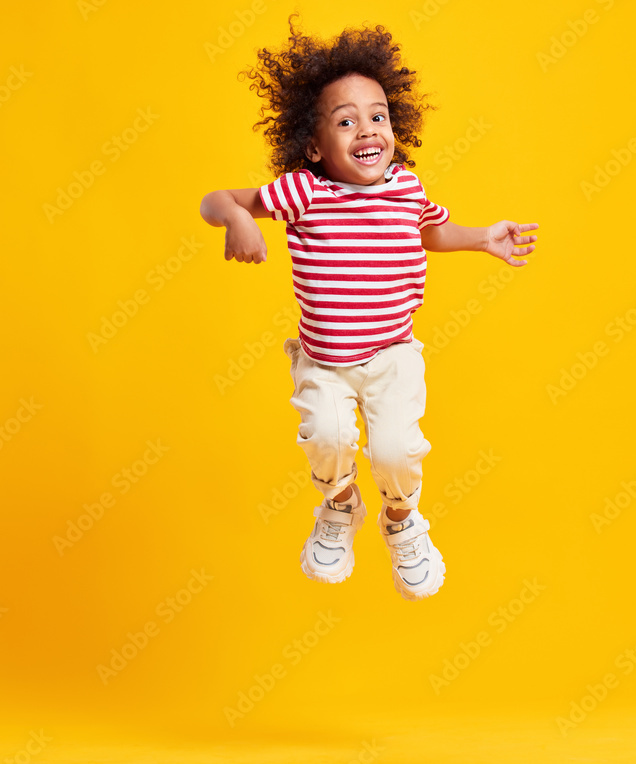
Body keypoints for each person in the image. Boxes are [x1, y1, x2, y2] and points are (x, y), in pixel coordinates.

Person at [200, 17, 537, 600]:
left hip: (392, 354)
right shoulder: (305, 192)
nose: (367, 130)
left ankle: (402, 520)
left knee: (396, 451)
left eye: (378, 117)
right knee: (327, 439)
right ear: (313, 146)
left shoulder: (405, 188)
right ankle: (341, 505)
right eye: (345, 121)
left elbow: (429, 232)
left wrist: (483, 237)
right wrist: (237, 220)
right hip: (324, 361)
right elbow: (215, 200)